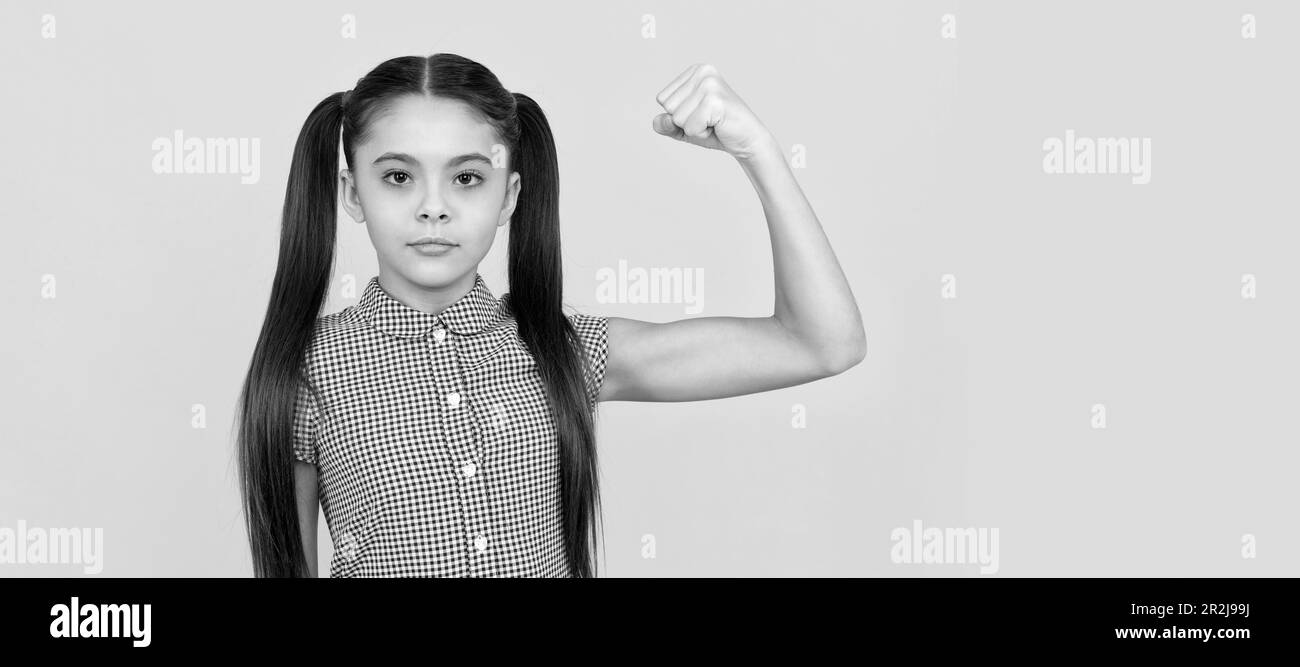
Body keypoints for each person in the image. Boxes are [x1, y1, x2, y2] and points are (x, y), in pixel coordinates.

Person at [235, 53, 865, 578]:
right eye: (398, 176)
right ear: (352, 193)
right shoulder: (307, 371)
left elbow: (820, 343)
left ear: (509, 196)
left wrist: (757, 151)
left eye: (468, 178)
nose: (433, 208)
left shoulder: (564, 351)